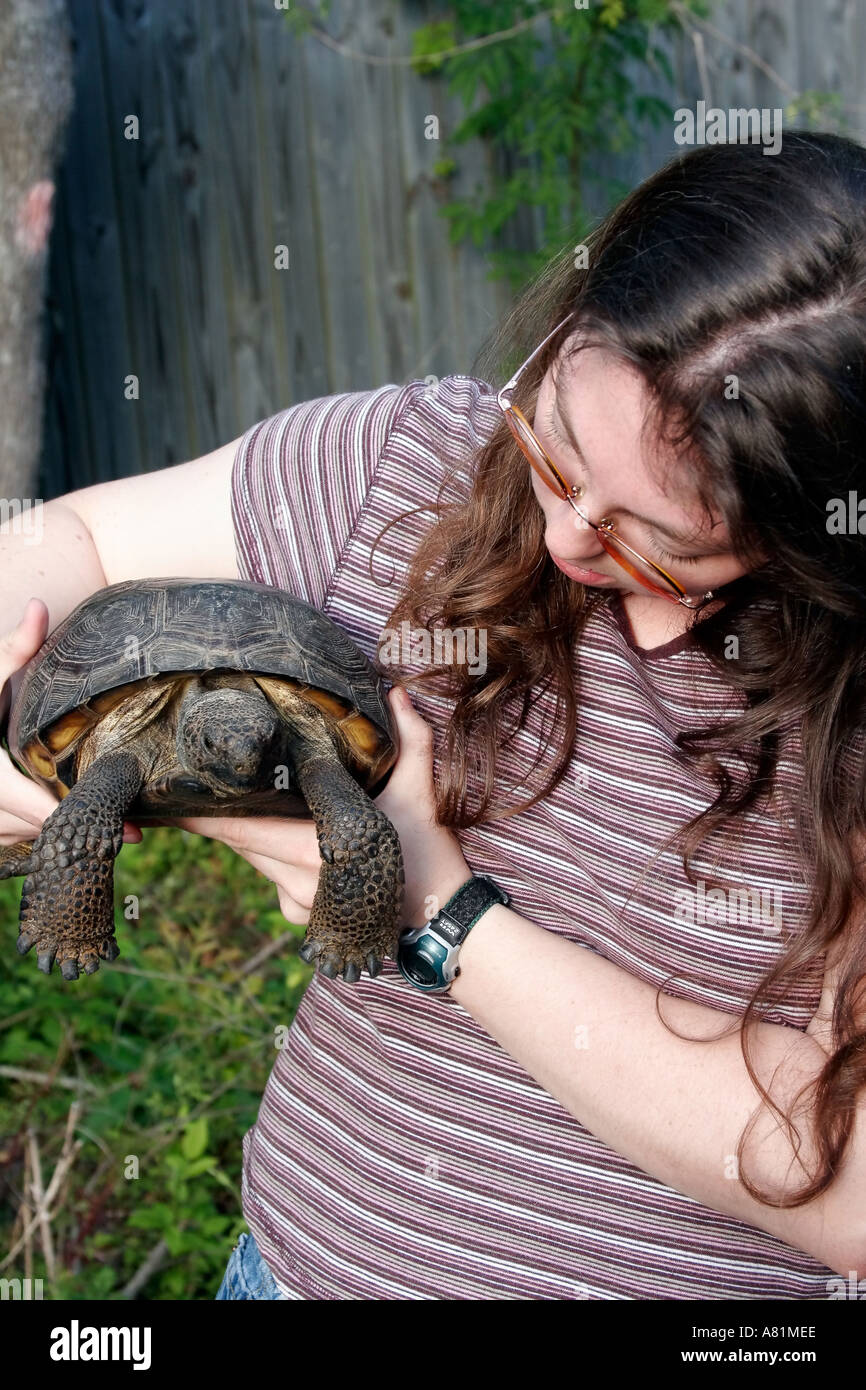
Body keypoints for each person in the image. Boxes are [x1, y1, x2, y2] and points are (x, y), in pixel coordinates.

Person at [3, 131, 866, 1301]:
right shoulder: (413, 468)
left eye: (657, 539)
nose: (566, 540)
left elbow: (847, 1187)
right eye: (556, 453)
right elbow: (74, 541)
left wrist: (444, 912)